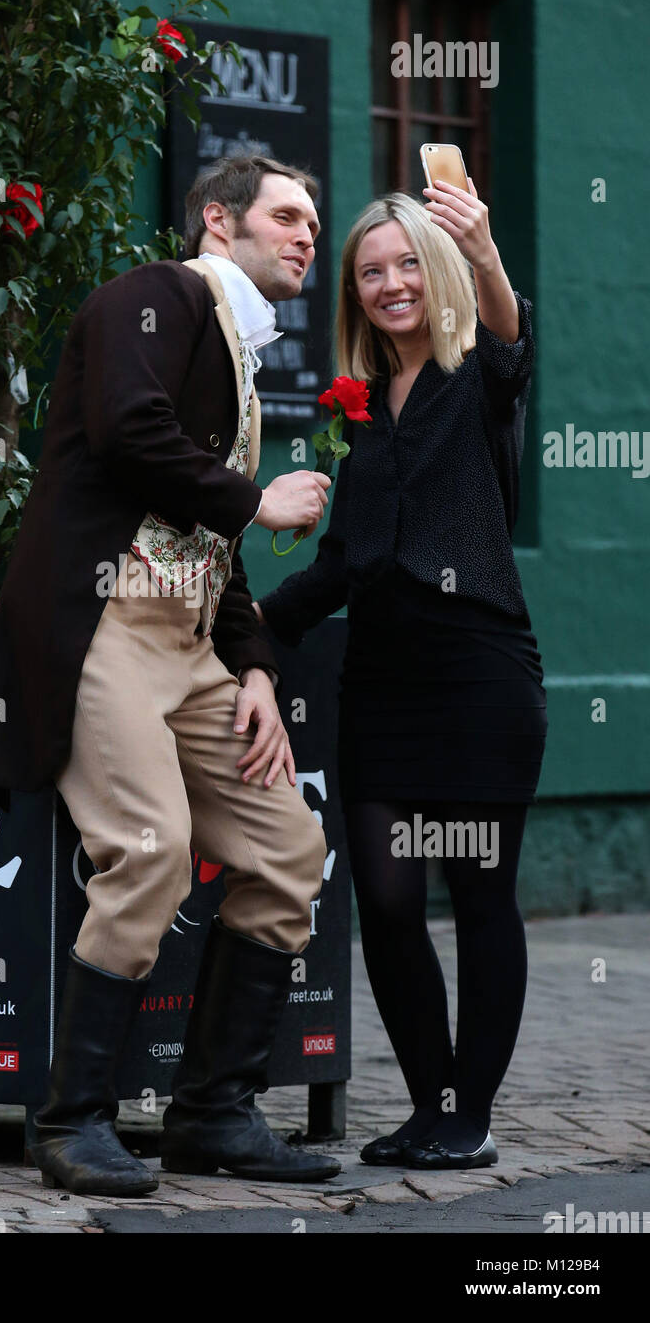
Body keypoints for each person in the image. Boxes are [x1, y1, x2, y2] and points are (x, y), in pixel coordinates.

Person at [0, 154, 342, 1195]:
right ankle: (72, 1120)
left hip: (190, 644)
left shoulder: (240, 349)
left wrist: (256, 664)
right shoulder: (153, 296)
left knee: (288, 850)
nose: (307, 233)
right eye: (285, 215)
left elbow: (205, 552)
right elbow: (130, 434)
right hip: (106, 628)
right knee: (150, 846)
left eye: (314, 219)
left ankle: (213, 1114)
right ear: (218, 221)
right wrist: (253, 499)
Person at [255, 180, 547, 1171]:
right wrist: (257, 620)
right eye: (371, 270)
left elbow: (511, 331)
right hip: (380, 677)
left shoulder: (480, 373)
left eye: (409, 262)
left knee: (478, 895)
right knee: (383, 896)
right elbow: (343, 563)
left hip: (477, 672)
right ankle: (429, 1104)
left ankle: (469, 1114)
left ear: (443, 267)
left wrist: (489, 252)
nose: (390, 283)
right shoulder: (361, 413)